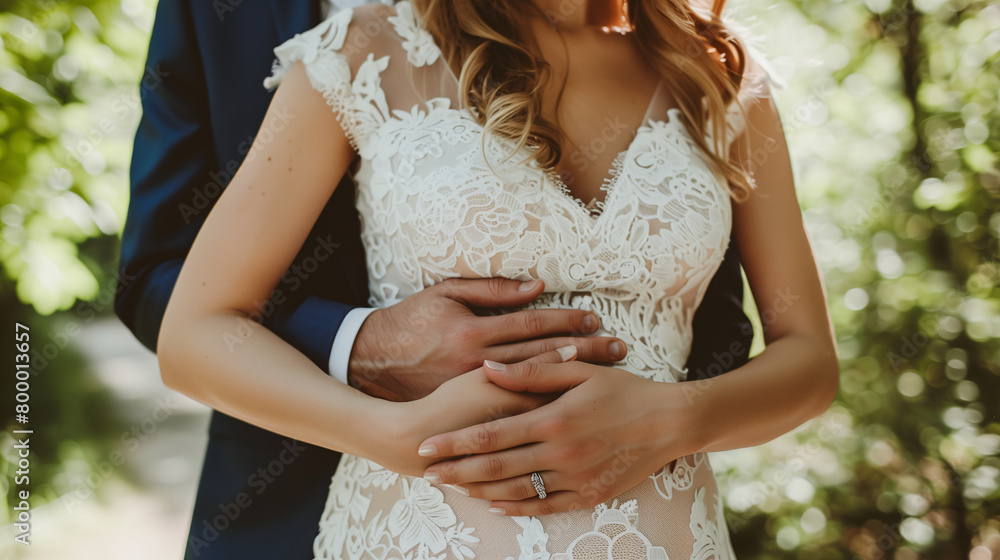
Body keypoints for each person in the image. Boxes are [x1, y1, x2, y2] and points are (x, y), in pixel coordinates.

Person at [152, 0, 840, 557]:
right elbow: (196, 334)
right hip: (414, 534)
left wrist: (673, 420)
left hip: (667, 536)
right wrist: (388, 434)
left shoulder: (719, 78)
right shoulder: (365, 51)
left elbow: (809, 360)